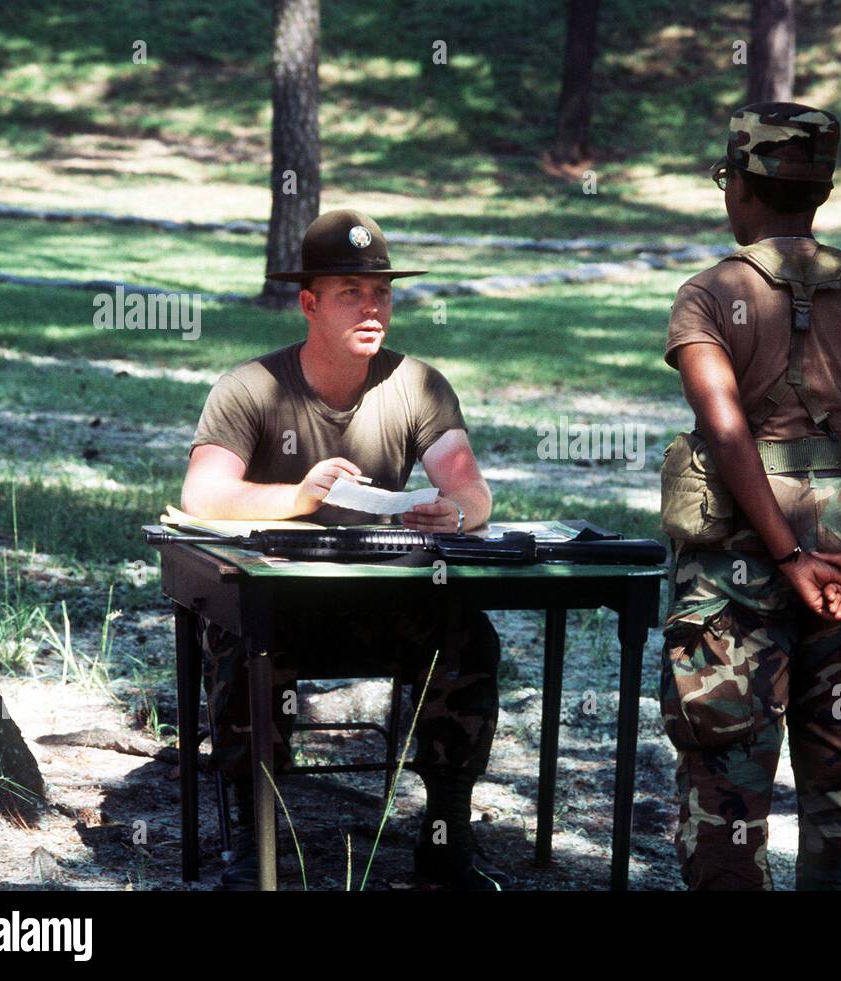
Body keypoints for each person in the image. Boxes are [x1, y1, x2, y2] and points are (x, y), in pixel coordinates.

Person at [659, 103, 841, 890]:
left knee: (726, 788)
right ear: (818, 194)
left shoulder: (706, 297)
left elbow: (726, 434)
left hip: (735, 574)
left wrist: (788, 555)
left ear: (742, 191)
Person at [182, 208, 508, 890]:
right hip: (279, 607)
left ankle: (446, 836)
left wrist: (457, 510)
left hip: (379, 602)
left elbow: (474, 491)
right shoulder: (251, 387)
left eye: (382, 292)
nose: (372, 307)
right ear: (308, 303)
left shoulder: (415, 385)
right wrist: (298, 497)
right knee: (241, 648)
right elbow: (202, 496)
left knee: (469, 639)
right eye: (350, 293)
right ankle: (254, 843)